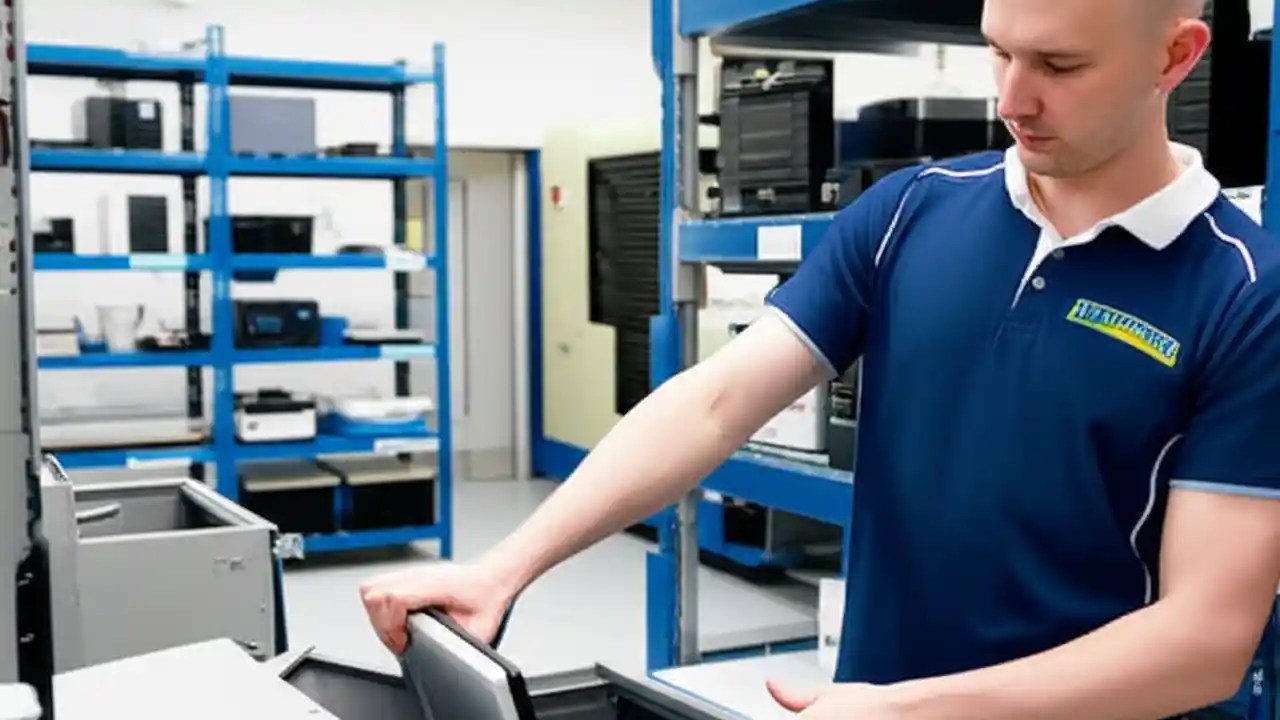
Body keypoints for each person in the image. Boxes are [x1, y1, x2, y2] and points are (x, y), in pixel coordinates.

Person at [361, 0, 1280, 716]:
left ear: (1177, 56)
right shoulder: (912, 213)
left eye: (1059, 65)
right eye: (999, 50)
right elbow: (716, 402)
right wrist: (503, 567)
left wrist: (914, 711)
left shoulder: (1245, 290)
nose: (1011, 98)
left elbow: (1205, 638)